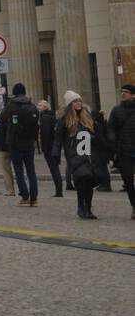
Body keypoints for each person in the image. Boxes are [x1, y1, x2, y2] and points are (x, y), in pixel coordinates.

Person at [53, 91, 100, 220]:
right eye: (75, 101)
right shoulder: (64, 121)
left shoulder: (87, 117)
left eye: (79, 100)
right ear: (70, 104)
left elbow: (98, 134)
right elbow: (57, 139)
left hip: (88, 154)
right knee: (82, 178)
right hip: (74, 154)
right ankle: (81, 206)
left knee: (89, 180)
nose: (78, 103)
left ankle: (88, 208)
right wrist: (55, 154)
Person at [0, 83, 40, 206]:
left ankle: (25, 197)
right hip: (29, 142)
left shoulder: (12, 105)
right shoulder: (32, 105)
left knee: (19, 171)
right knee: (31, 170)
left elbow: (1, 119)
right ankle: (34, 198)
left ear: (14, 92)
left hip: (16, 143)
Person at [107, 84, 135, 219]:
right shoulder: (116, 110)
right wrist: (113, 142)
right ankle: (134, 206)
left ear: (133, 95)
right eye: (122, 91)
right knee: (128, 180)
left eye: (126, 92)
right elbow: (110, 128)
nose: (123, 94)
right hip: (124, 151)